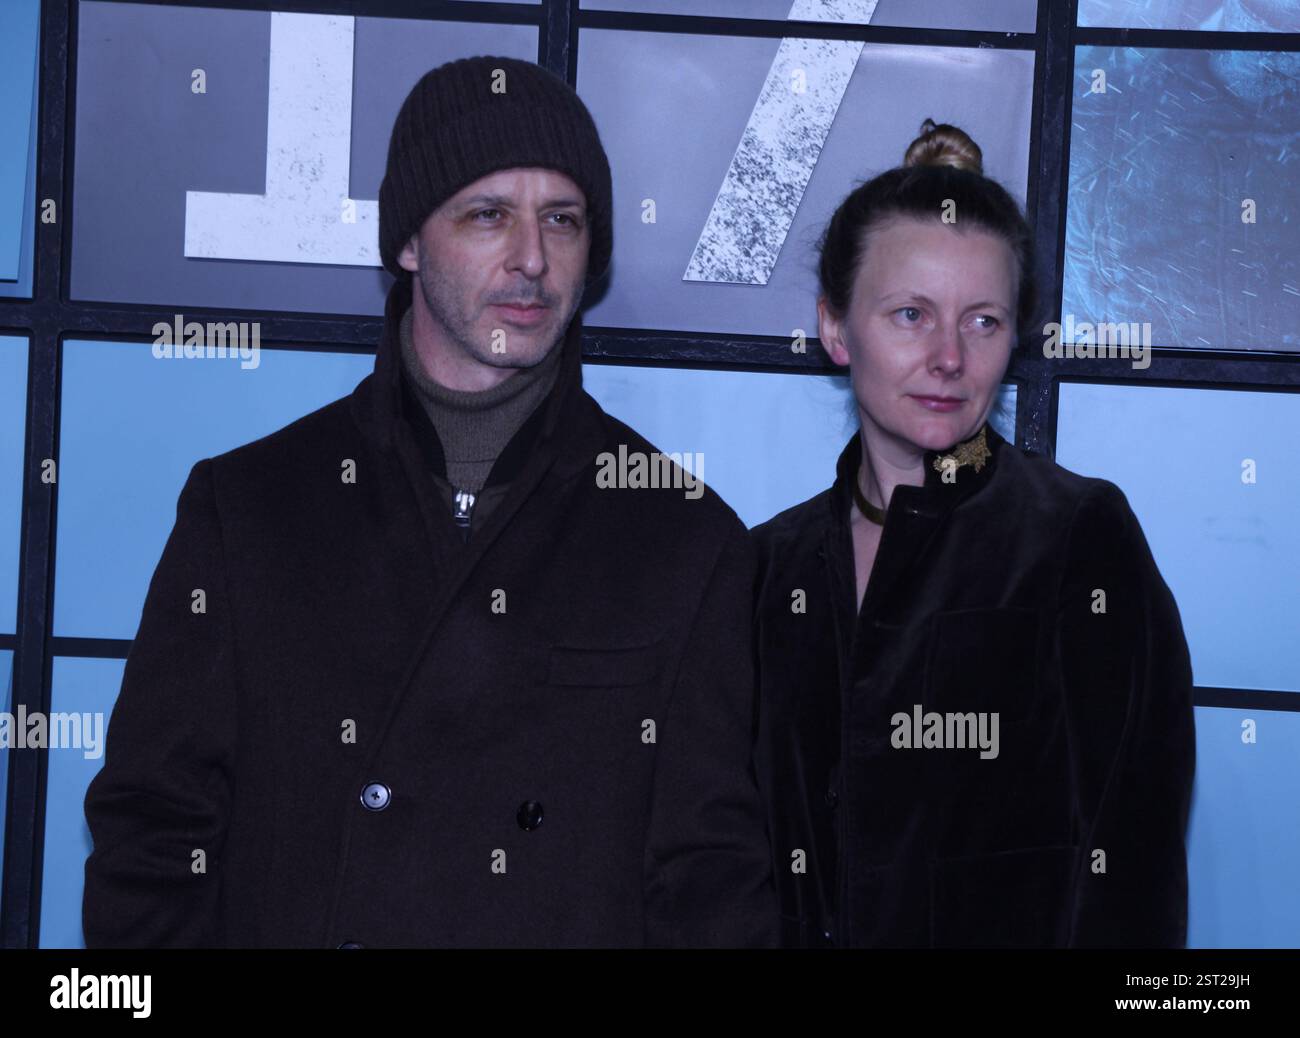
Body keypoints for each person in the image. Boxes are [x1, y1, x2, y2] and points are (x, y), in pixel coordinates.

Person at [83, 55, 778, 948]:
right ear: (408, 242)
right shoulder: (253, 508)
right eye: (488, 214)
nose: (532, 258)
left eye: (562, 220)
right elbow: (155, 835)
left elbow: (712, 887)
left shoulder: (681, 536)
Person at [751, 119, 1195, 948]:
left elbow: (1134, 865)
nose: (950, 357)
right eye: (912, 314)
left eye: (984, 321)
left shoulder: (1078, 538)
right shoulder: (768, 568)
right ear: (836, 328)